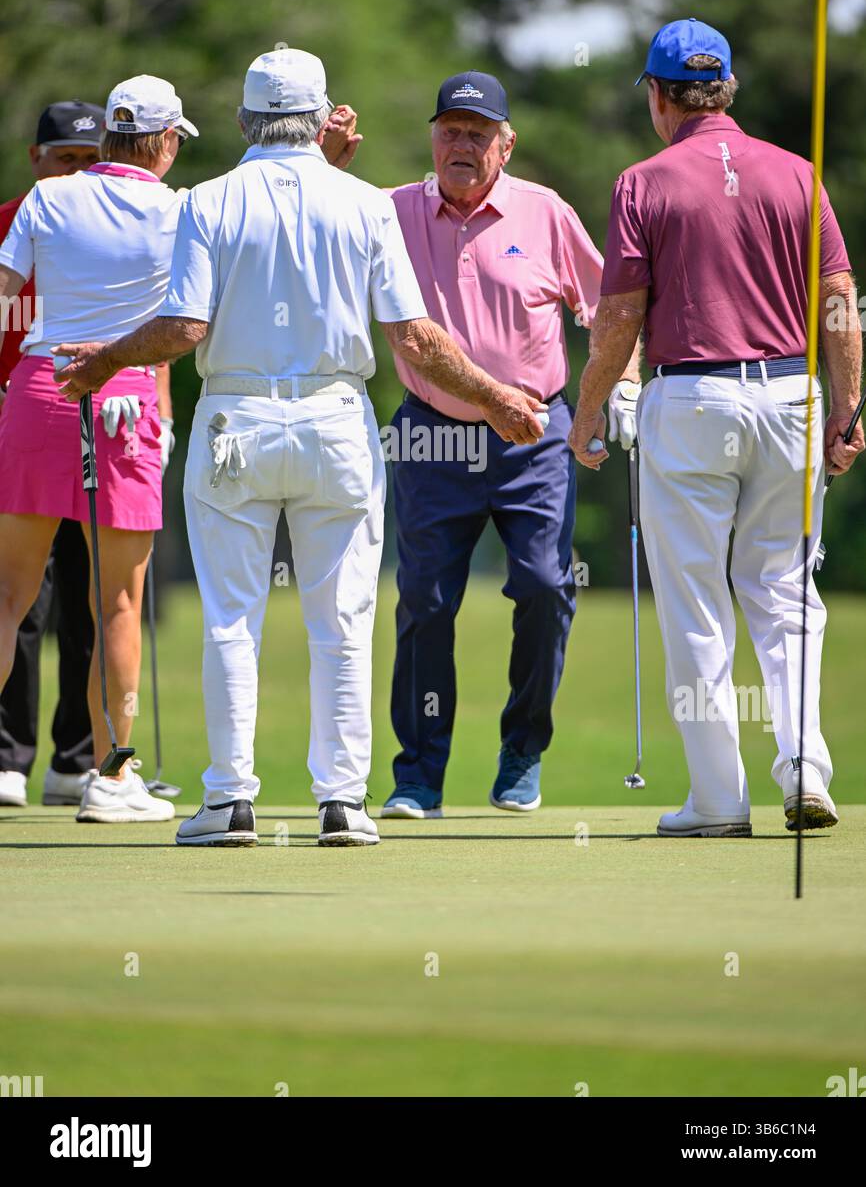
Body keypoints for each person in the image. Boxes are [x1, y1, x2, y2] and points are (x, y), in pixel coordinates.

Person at [55, 48, 547, 849]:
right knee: (343, 620)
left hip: (235, 423)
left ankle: (228, 801)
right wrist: (494, 397)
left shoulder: (207, 200)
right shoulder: (366, 204)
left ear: (244, 121)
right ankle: (343, 802)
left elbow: (185, 328)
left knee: (230, 621)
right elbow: (414, 337)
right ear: (321, 122)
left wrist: (107, 359)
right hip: (335, 422)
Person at [571, 16, 863, 837]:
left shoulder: (642, 182)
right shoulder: (799, 173)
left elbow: (619, 317)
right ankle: (804, 768)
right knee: (784, 591)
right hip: (792, 398)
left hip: (692, 400)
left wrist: (588, 412)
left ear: (660, 98)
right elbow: (839, 301)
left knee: (697, 598)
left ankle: (718, 800)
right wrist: (848, 408)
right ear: (725, 90)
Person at [378, 71, 641, 820]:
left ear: (506, 143)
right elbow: (316, 223)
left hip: (536, 433)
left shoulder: (545, 212)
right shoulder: (390, 211)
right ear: (433, 137)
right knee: (425, 601)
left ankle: (522, 751)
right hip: (431, 435)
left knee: (546, 585)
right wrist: (327, 160)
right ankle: (419, 776)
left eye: (478, 133)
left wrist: (621, 388)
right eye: (450, 131)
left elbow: (610, 311)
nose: (461, 144)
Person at [0, 75, 198, 823]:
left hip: (38, 388)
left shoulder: (47, 196)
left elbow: (2, 292)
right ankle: (113, 778)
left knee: (7, 596)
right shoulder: (180, 209)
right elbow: (187, 323)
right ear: (166, 140)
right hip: (123, 397)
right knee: (116, 602)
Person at [0, 101, 101, 808]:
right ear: (36, 158)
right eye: (66, 159)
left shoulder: (112, 228)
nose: (77, 173)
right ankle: (9, 756)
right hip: (19, 426)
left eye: (91, 161)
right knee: (20, 599)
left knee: (89, 595)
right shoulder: (7, 223)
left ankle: (78, 759)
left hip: (98, 422)